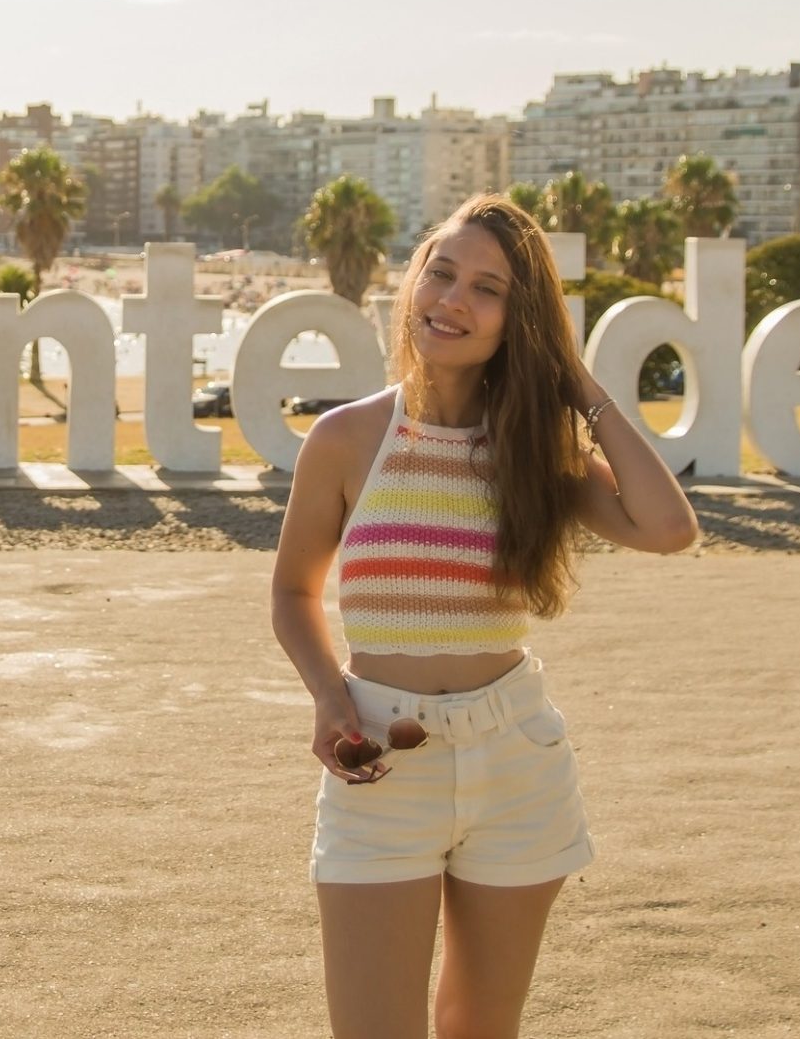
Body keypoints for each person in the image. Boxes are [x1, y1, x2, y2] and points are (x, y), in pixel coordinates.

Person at [270, 194, 700, 1039]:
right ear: (414, 283)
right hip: (381, 763)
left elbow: (669, 526)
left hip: (517, 761)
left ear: (521, 319)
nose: (453, 299)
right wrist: (329, 694)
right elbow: (292, 593)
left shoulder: (539, 451)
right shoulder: (348, 438)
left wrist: (574, 382)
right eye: (442, 272)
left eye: (489, 288)